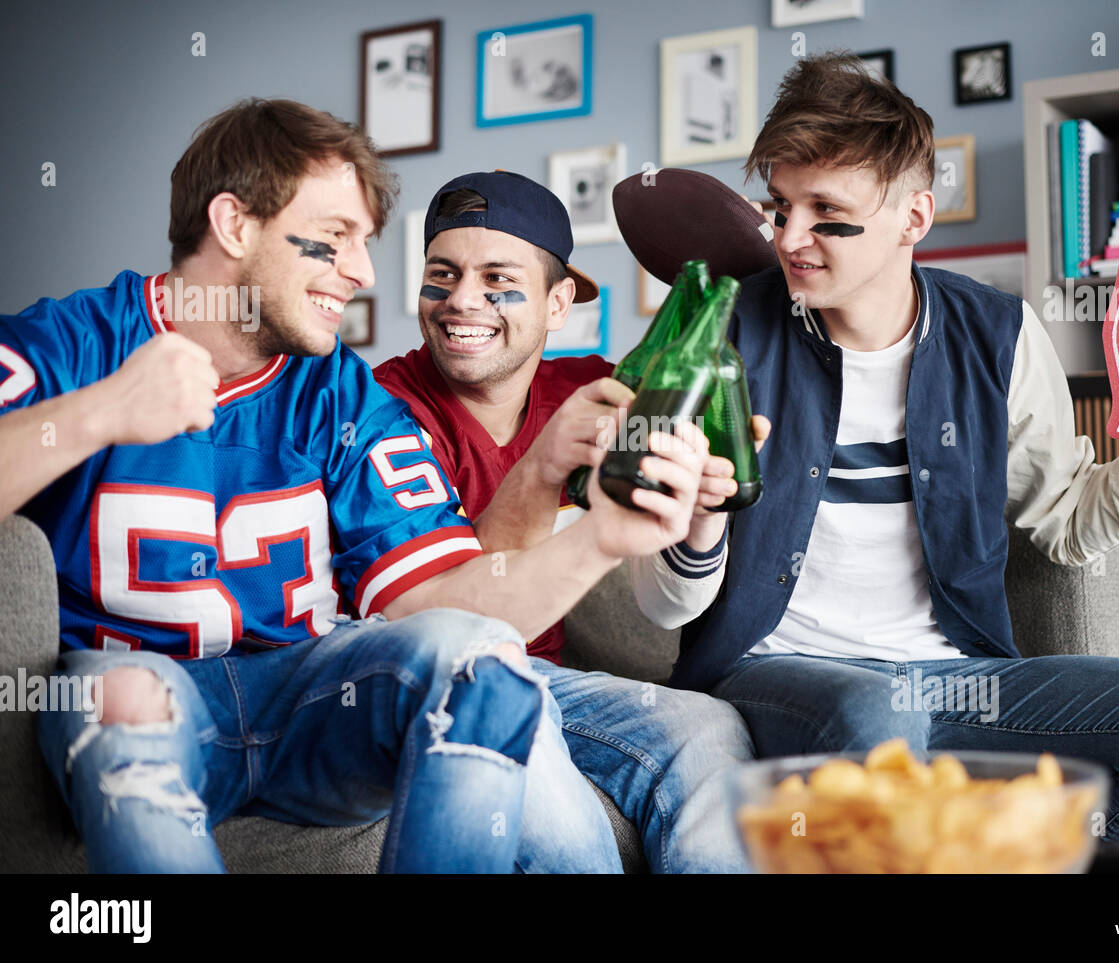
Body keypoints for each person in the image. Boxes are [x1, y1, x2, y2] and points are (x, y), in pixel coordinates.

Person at [0, 100, 706, 873]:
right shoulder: (71, 343)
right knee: (124, 700)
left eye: (364, 245)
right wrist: (99, 413)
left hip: (309, 701)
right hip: (138, 691)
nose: (366, 274)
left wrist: (605, 535)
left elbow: (440, 605)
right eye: (337, 239)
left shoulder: (343, 393)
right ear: (235, 225)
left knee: (480, 659)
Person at [640, 53, 1119, 842]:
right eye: (779, 206)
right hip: (777, 675)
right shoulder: (723, 330)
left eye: (826, 212)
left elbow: (1068, 522)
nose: (790, 237)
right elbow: (662, 600)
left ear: (914, 217)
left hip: (963, 680)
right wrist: (696, 517)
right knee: (873, 712)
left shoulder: (999, 335)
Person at [374, 170, 760, 873]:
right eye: (443, 273)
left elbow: (669, 587)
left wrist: (701, 504)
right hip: (438, 680)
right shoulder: (381, 408)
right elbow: (455, 613)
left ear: (558, 305)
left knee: (707, 723)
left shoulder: (597, 390)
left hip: (552, 680)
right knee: (533, 754)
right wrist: (545, 471)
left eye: (498, 279)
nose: (463, 299)